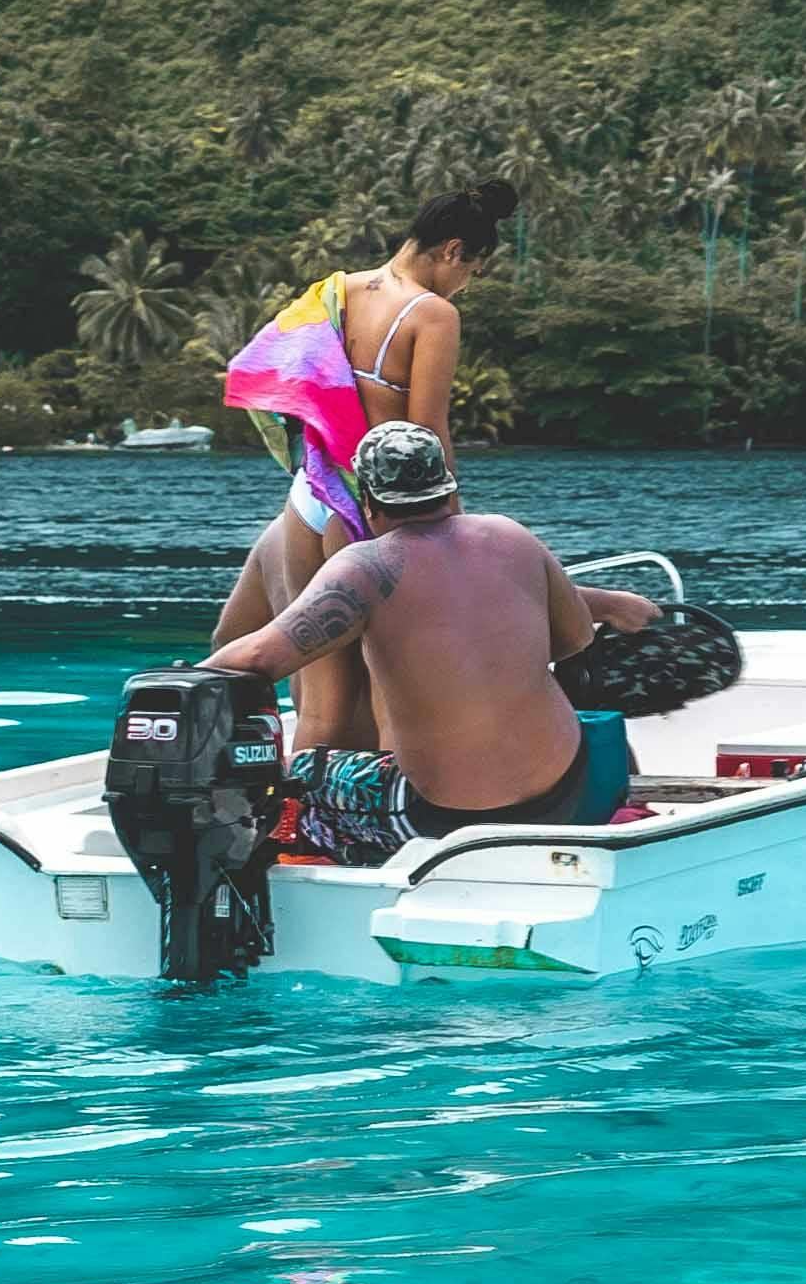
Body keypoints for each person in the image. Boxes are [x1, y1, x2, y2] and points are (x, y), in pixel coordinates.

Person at [211, 419, 654, 866]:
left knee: (296, 777)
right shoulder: (513, 537)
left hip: (444, 819)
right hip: (568, 793)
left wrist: (184, 680)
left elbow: (258, 657)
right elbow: (573, 639)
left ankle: (332, 865)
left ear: (366, 501)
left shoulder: (366, 568)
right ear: (448, 488)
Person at [210, 184, 520, 753]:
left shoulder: (336, 291)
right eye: (472, 270)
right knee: (388, 697)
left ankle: (296, 832)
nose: (466, 285)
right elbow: (424, 437)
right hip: (372, 511)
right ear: (452, 250)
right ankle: (379, 831)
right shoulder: (432, 315)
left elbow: (269, 365)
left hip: (310, 495)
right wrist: (450, 523)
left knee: (319, 702)